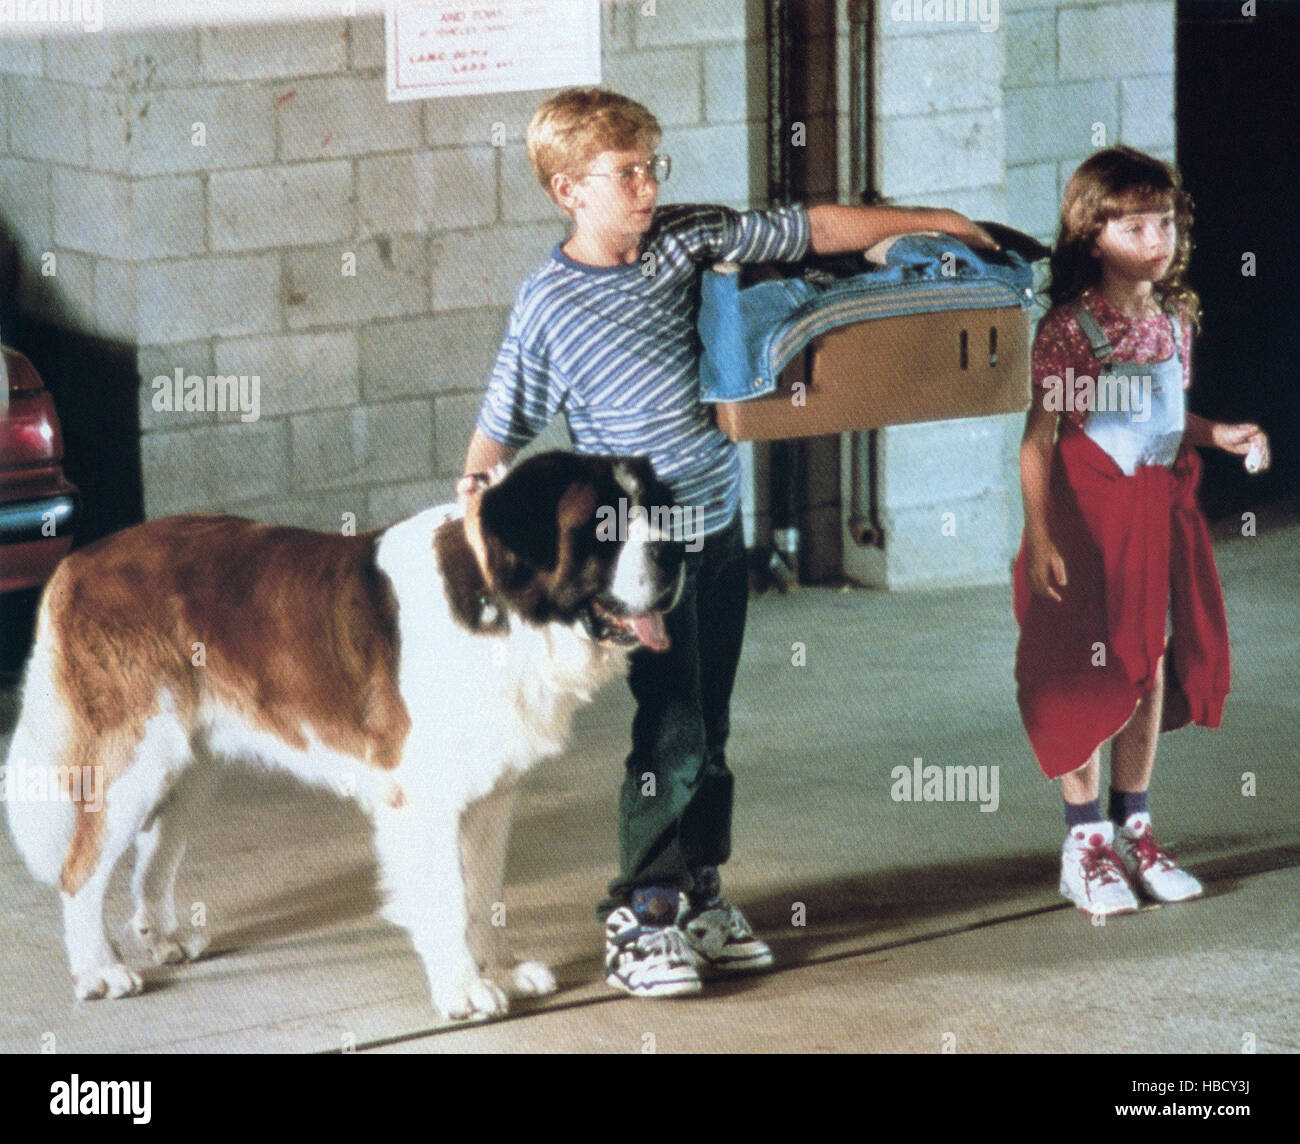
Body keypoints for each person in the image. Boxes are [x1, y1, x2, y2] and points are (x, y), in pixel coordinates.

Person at [461, 86, 996, 997]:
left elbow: (811, 226)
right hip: (641, 560)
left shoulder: (688, 237)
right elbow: (494, 438)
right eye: (624, 173)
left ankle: (700, 893)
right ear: (566, 191)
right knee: (668, 727)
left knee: (710, 726)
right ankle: (643, 913)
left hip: (719, 527)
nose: (645, 187)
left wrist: (938, 218)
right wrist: (484, 533)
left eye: (651, 167)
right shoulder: (549, 304)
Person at [1014, 146, 1270, 917]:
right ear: (1094, 234)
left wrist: (1216, 434)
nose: (1155, 241)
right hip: (1088, 517)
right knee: (1087, 670)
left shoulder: (1174, 317)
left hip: (1154, 512)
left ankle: (1137, 824)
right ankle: (1083, 841)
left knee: (1149, 664)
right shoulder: (1069, 331)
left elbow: (1162, 418)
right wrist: (1043, 535)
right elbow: (1039, 439)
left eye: (1164, 224)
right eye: (1134, 226)